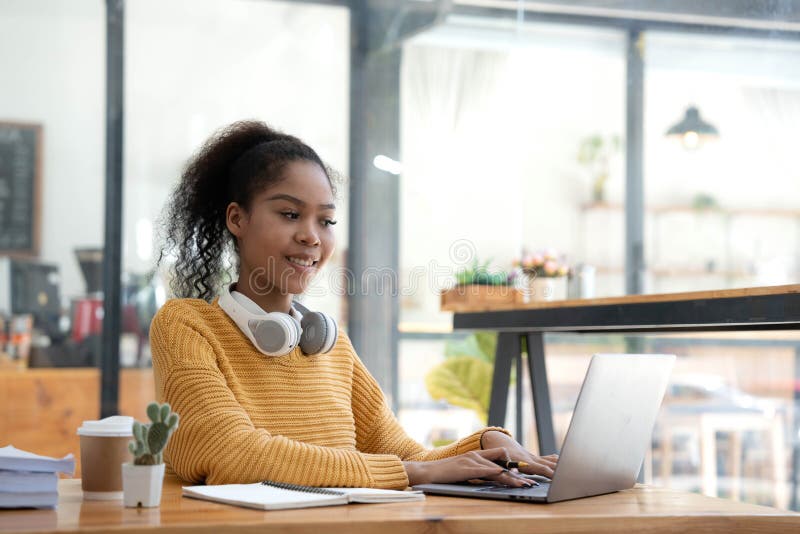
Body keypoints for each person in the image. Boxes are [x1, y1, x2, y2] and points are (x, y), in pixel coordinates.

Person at [151, 120, 558, 488]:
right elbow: (230, 454)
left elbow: (404, 455)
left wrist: (491, 443)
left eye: (325, 221)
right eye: (290, 214)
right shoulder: (186, 326)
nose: (312, 237)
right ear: (237, 219)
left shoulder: (332, 347)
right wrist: (412, 472)